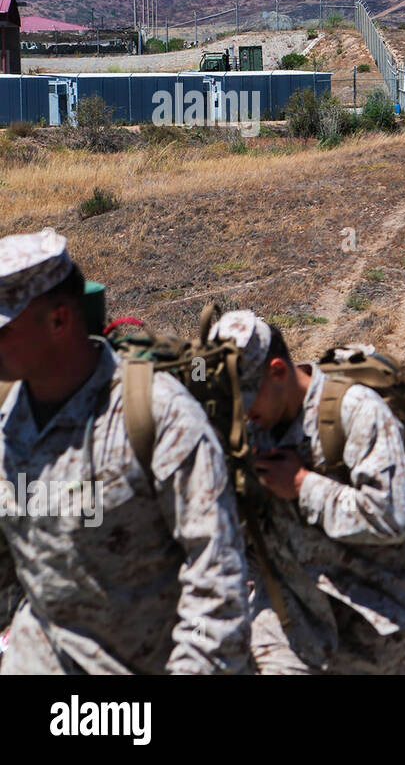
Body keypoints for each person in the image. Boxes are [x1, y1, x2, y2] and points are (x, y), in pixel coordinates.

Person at [0, 229, 250, 674]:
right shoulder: (8, 422)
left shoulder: (157, 416)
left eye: (5, 329)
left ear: (59, 321)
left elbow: (217, 583)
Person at [209, 311, 405, 674]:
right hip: (290, 622)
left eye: (248, 396)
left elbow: (393, 516)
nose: (244, 412)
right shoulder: (244, 432)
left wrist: (303, 486)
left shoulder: (356, 411)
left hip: (373, 625)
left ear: (278, 371)